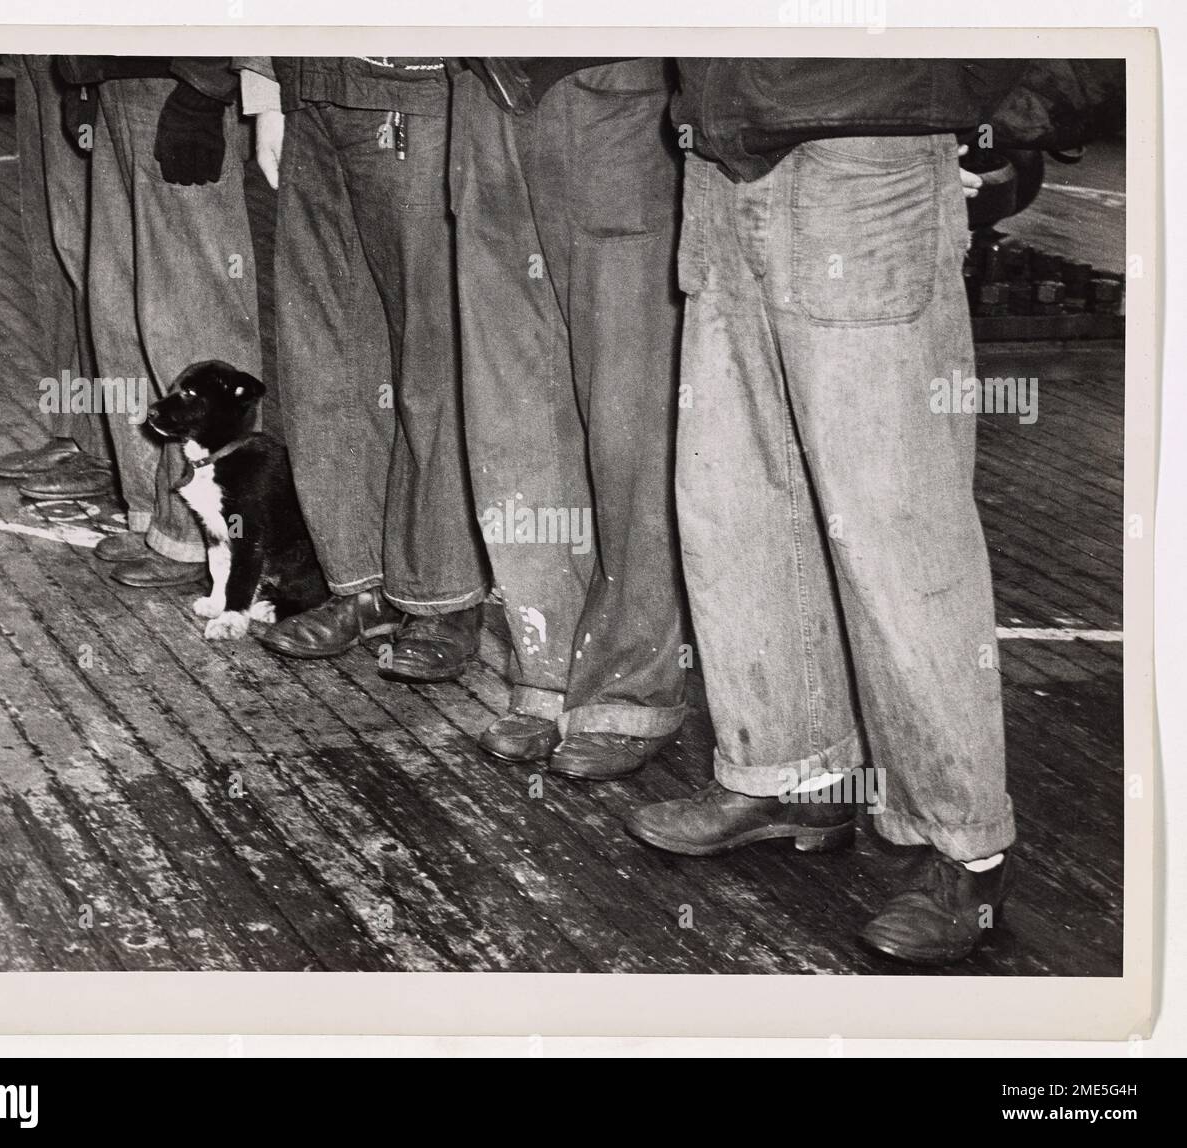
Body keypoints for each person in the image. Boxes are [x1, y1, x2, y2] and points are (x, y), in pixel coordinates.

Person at [624, 58, 1027, 965]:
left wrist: (1002, 116)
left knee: (898, 529)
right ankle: (792, 774)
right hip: (721, 170)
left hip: (865, 165)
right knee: (733, 500)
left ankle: (964, 847)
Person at [449, 58, 688, 779]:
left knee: (629, 402)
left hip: (609, 83)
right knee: (512, 396)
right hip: (484, 86)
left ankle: (628, 689)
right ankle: (547, 662)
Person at [238, 56, 488, 680]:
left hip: (412, 80)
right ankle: (359, 583)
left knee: (429, 352)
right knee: (323, 349)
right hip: (308, 82)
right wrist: (267, 92)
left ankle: (443, 595)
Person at [56, 55, 263, 588]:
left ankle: (205, 534)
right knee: (121, 311)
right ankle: (155, 515)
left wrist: (206, 85)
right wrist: (80, 74)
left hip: (179, 78)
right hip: (117, 75)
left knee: (194, 321)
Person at [0, 55, 112, 501]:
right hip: (34, 47)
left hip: (90, 44)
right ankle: (73, 428)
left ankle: (104, 443)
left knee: (90, 246)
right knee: (53, 248)